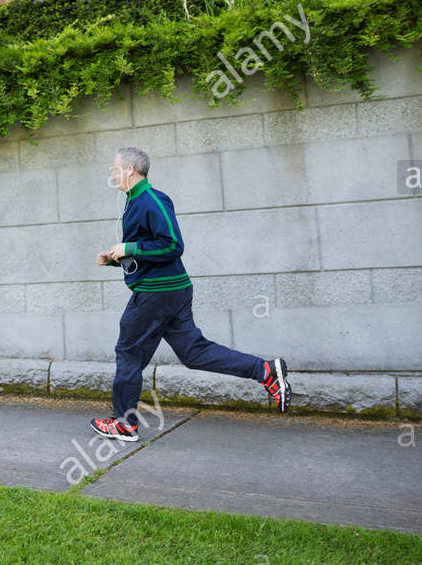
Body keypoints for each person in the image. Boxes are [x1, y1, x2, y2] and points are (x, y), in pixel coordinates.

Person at [91, 147, 290, 442]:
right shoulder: (134, 202)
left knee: (129, 351)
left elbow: (173, 245)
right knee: (193, 352)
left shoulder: (151, 199)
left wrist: (130, 248)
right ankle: (263, 370)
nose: (112, 173)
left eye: (115, 168)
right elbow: (150, 252)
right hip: (170, 290)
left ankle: (124, 423)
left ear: (130, 169)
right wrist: (115, 260)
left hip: (157, 294)